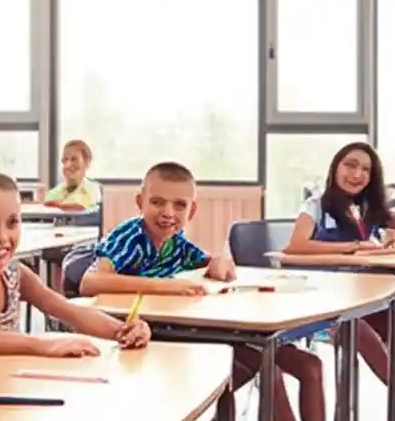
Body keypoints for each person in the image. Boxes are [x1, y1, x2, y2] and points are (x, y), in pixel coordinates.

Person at [80, 162, 324, 421]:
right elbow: (90, 281)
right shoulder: (129, 237)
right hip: (148, 334)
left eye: (179, 205)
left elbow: (207, 261)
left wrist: (218, 262)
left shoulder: (177, 242)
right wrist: (166, 287)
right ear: (140, 202)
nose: (167, 213)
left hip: (189, 328)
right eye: (158, 202)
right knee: (266, 366)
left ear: (192, 210)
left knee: (304, 364)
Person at [282, 142, 395, 418]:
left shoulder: (370, 209)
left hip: (367, 299)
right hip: (326, 304)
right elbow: (295, 245)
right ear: (335, 168)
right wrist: (353, 247)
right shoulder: (316, 205)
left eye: (366, 169)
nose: (357, 173)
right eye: (350, 164)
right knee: (364, 335)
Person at [0, 167, 150, 355]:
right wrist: (39, 345)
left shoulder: (15, 274)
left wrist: (121, 329)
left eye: (12, 223)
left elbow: (67, 310)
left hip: (5, 387)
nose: (2, 236)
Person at [44, 139, 101, 211]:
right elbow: (46, 204)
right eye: (65, 160)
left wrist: (57, 205)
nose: (68, 165)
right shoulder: (59, 189)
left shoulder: (92, 188)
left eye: (74, 159)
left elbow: (80, 207)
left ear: (87, 162)